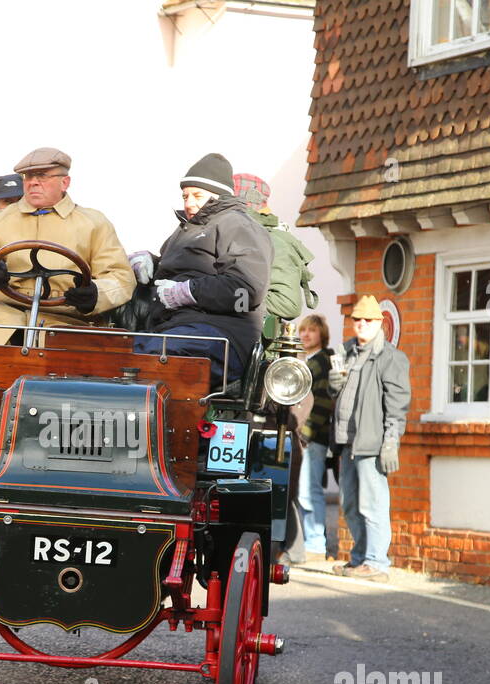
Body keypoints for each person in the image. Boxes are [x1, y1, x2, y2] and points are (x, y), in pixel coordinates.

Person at [0, 147, 135, 458]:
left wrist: (94, 295)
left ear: (65, 182)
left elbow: (120, 278)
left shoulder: (93, 223)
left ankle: (76, 437)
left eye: (42, 177)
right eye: (28, 177)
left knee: (81, 349)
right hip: (4, 313)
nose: (33, 183)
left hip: (67, 318)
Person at [129, 153, 273, 390]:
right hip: (176, 328)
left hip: (221, 334)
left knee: (155, 355)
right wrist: (149, 262)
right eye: (185, 196)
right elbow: (178, 272)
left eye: (197, 196)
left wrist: (186, 293)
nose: (188, 203)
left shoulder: (238, 225)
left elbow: (247, 291)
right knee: (112, 350)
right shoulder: (184, 231)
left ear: (219, 196)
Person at [328, 295, 411, 582]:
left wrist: (391, 441)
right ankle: (360, 558)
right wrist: (333, 385)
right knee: (350, 504)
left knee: (372, 504)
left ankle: (377, 563)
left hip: (371, 442)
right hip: (346, 441)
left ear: (380, 323)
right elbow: (337, 396)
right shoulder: (346, 352)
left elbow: (397, 405)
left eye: (368, 320)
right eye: (357, 319)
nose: (361, 324)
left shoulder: (391, 358)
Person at [232, 172, 316, 342]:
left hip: (253, 351)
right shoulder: (241, 235)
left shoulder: (275, 241)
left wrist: (232, 300)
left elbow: (287, 304)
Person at [290, 313, 336, 563]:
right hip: (301, 437)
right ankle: (309, 543)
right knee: (301, 492)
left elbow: (322, 404)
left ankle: (317, 545)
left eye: (312, 331)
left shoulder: (323, 362)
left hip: (313, 438)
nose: (306, 335)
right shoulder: (305, 361)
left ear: (321, 335)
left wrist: (305, 436)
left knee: (309, 491)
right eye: (303, 330)